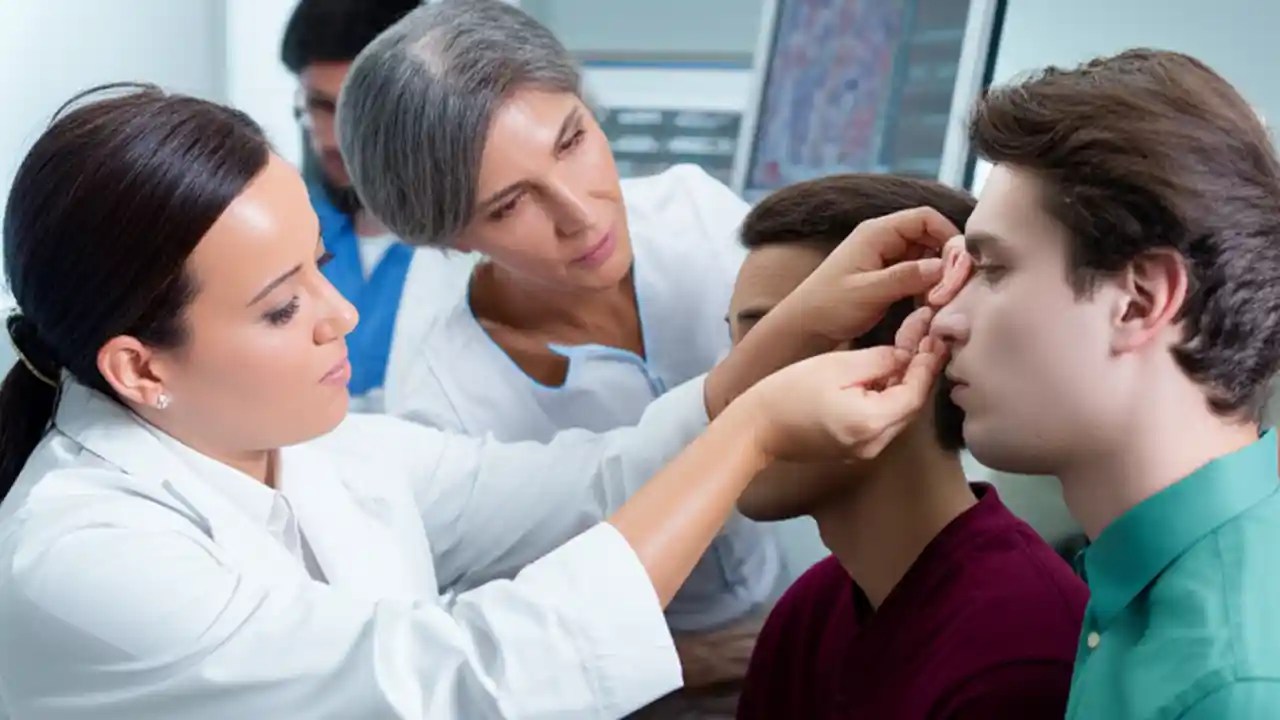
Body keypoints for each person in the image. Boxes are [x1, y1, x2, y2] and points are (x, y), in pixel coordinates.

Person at [0, 84, 955, 719]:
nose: (339, 316)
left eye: (321, 269)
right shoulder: (81, 560)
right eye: (283, 306)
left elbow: (595, 481)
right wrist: (752, 433)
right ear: (139, 369)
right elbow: (467, 675)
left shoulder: (325, 453)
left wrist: (784, 337)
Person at [337, 0, 777, 709]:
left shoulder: (696, 212)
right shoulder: (447, 400)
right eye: (511, 205)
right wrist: (681, 660)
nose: (581, 213)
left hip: (792, 606)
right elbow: (493, 648)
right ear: (452, 238)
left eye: (571, 140)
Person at [931, 48, 1280, 719]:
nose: (945, 318)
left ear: (1140, 301)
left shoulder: (1229, 689)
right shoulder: (1148, 582)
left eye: (994, 270)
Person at [727, 174, 1087, 719]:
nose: (728, 389)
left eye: (769, 342)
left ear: (903, 357)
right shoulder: (812, 612)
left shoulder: (1018, 660)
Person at [281, 0, 476, 411]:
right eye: (320, 106)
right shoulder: (286, 228)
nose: (335, 139)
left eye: (356, 110)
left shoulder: (482, 247)